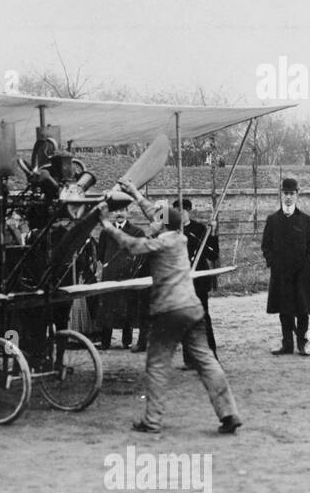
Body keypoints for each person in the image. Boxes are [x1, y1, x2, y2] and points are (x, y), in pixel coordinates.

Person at [100, 181, 241, 436]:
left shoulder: (160, 242)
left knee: (156, 365)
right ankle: (229, 412)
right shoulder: (179, 237)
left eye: (157, 220)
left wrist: (107, 225)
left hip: (168, 312)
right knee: (207, 361)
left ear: (163, 225)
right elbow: (154, 214)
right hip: (192, 309)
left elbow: (132, 245)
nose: (152, 221)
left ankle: (152, 420)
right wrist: (134, 193)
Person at [261, 177, 310, 356]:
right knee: (285, 310)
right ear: (281, 194)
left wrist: (307, 263)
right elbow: (266, 245)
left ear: (297, 195)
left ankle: (303, 344)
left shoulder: (306, 220)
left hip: (301, 273)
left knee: (302, 310)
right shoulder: (273, 220)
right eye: (285, 193)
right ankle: (287, 345)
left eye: (291, 194)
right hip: (281, 274)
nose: (288, 197)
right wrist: (273, 263)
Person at [93, 197, 146, 350]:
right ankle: (105, 341)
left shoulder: (137, 232)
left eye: (122, 211)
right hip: (110, 274)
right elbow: (101, 255)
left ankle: (126, 340)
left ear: (128, 213)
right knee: (108, 307)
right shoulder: (106, 233)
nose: (119, 214)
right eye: (116, 211)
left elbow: (141, 253)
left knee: (127, 307)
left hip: (129, 275)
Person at [177, 197, 220, 364]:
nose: (180, 214)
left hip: (198, 281)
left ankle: (211, 357)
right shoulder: (172, 230)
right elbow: (155, 215)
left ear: (189, 211)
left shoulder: (199, 229)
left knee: (202, 318)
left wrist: (213, 232)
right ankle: (189, 359)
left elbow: (213, 254)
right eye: (176, 211)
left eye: (183, 210)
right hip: (180, 281)